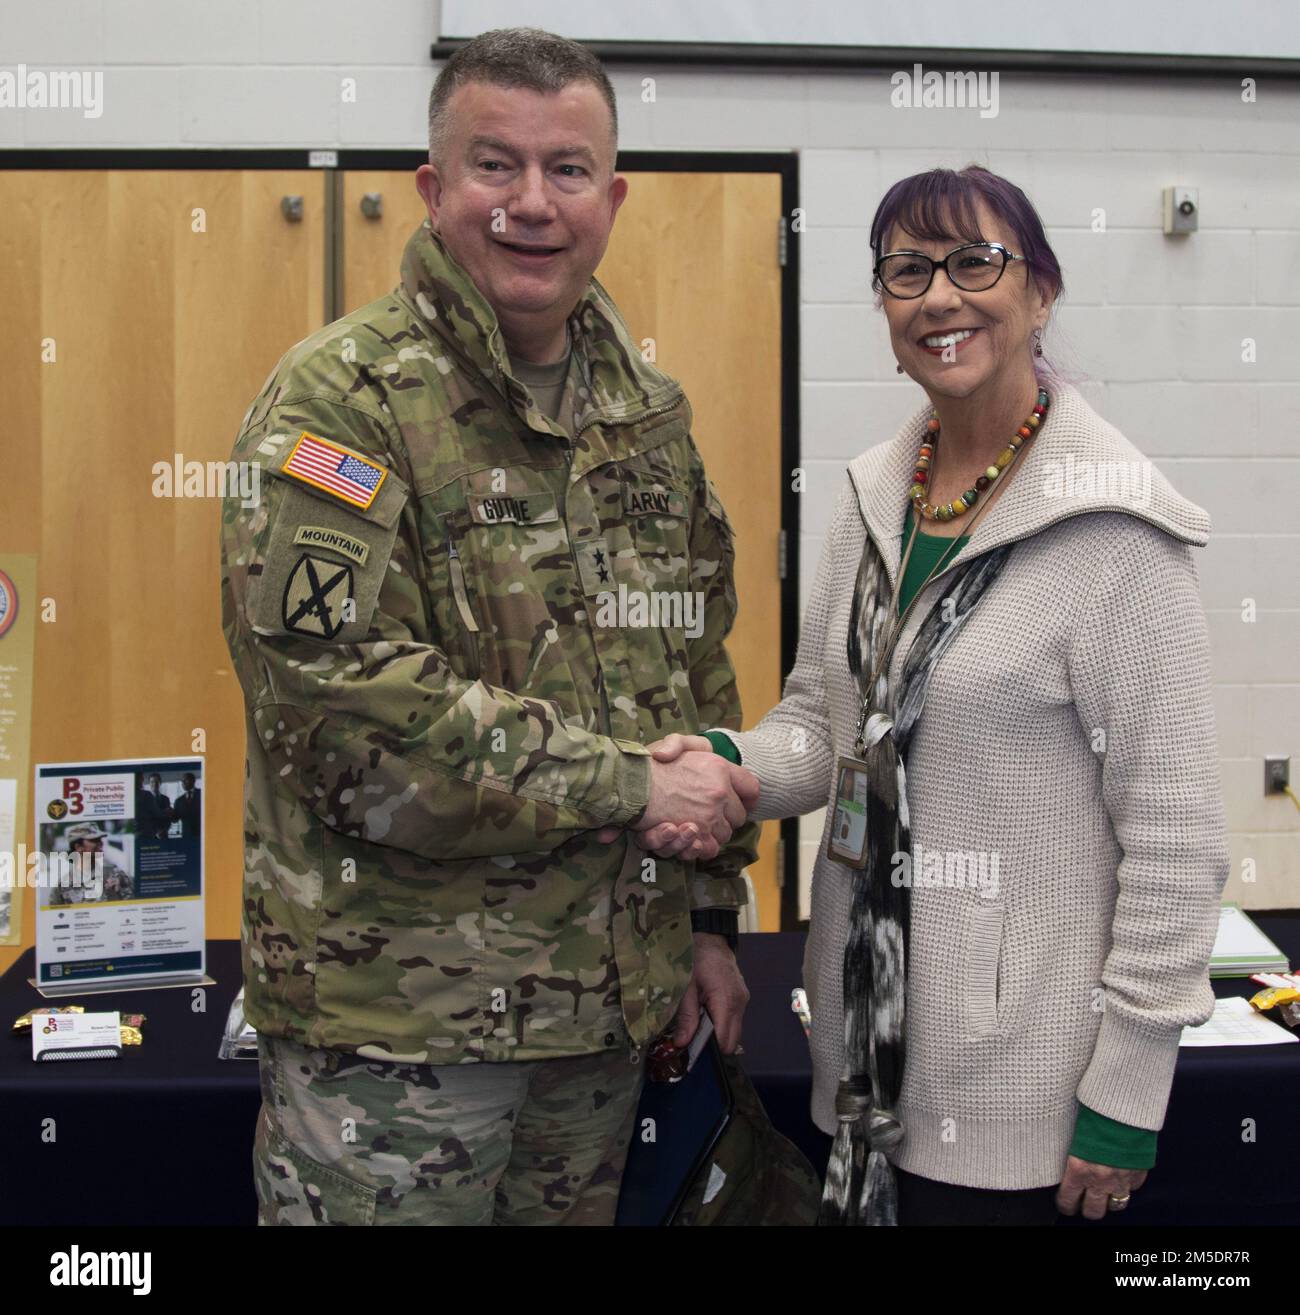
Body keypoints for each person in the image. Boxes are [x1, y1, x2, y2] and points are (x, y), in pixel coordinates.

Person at [220, 26, 759, 1227]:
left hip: (602, 1028)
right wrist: (629, 785)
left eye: (567, 169)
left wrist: (709, 919)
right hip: (401, 1043)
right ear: (431, 187)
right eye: (493, 165)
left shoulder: (646, 413)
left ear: (611, 198)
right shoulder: (340, 403)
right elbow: (342, 709)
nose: (531, 203)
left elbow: (692, 671)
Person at [641, 165, 1229, 1226]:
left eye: (975, 262)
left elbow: (1177, 840)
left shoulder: (1116, 533)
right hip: (864, 1067)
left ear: (1040, 292)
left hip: (1026, 1105)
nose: (939, 296)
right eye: (906, 271)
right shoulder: (873, 498)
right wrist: (728, 761)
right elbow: (823, 727)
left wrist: (1125, 1097)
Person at [136, 773, 173, 840]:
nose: (155, 784)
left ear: (160, 783)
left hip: (163, 835)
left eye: (157, 781)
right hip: (150, 834)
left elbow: (168, 817)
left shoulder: (166, 799)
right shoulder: (145, 797)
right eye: (152, 782)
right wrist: (156, 832)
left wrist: (164, 830)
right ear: (149, 783)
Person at [173, 773, 202, 840]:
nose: (182, 782)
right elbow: (175, 819)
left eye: (185, 780)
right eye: (182, 781)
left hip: (202, 836)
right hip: (186, 837)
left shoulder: (203, 794)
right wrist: (170, 812)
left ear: (193, 780)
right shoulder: (178, 801)